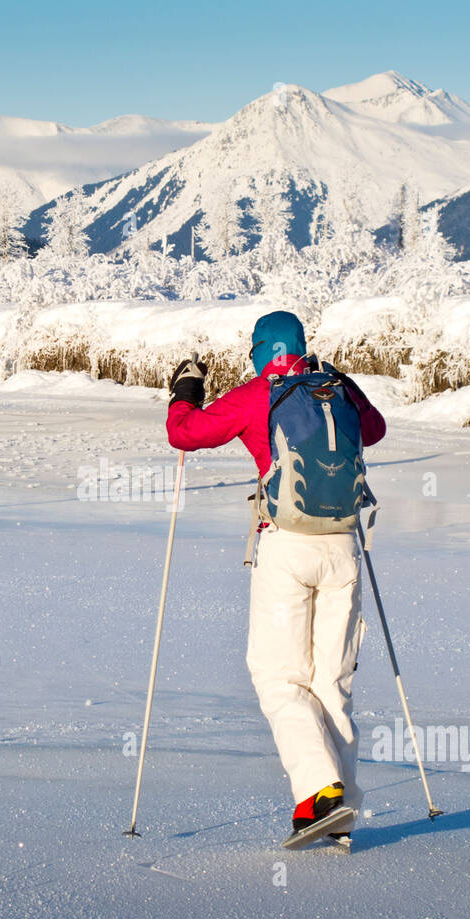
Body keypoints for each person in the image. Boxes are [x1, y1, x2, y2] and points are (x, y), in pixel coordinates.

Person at [166, 311, 387, 844]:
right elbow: (375, 429)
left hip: (286, 546)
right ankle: (340, 810)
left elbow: (185, 434)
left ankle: (318, 791)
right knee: (331, 681)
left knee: (277, 675)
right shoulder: (334, 387)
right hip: (343, 549)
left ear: (262, 351)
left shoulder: (256, 395)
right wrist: (337, 382)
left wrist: (185, 391)